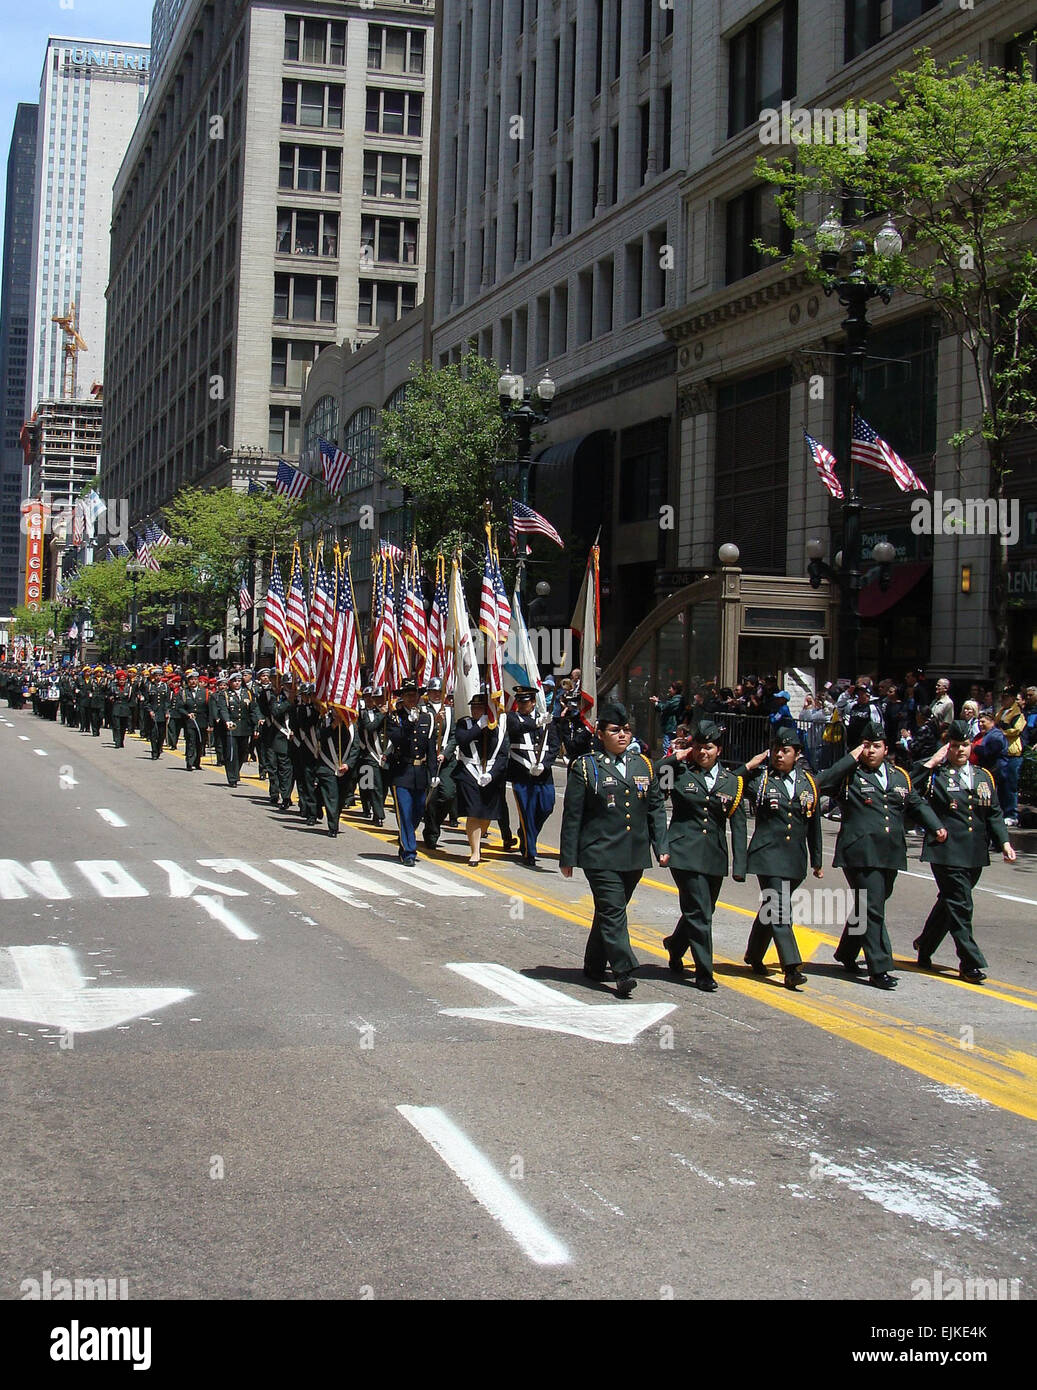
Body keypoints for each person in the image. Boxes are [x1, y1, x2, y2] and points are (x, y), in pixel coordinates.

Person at [817, 721, 946, 989]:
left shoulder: (900, 776)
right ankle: (880, 966)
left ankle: (846, 952)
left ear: (886, 748)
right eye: (866, 746)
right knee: (873, 907)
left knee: (871, 904)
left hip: (890, 852)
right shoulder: (850, 775)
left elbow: (915, 803)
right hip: (860, 852)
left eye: (876, 746)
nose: (871, 751)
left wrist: (936, 826)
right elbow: (821, 783)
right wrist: (849, 758)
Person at [559, 700, 669, 997]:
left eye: (627, 730)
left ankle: (594, 964)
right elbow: (573, 815)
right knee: (613, 909)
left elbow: (655, 808)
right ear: (601, 733)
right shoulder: (586, 765)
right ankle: (623, 970)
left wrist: (662, 845)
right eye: (615, 730)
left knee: (610, 911)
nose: (623, 735)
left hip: (633, 854)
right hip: (600, 853)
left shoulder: (642, 764)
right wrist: (567, 856)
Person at [911, 720, 1016, 983]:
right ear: (948, 747)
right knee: (961, 904)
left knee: (950, 903)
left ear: (971, 746)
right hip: (946, 851)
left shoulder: (983, 776)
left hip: (974, 852)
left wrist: (1004, 842)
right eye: (955, 746)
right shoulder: (938, 775)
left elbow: (993, 813)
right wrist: (930, 763)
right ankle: (969, 962)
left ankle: (925, 944)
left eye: (964, 745)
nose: (960, 750)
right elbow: (907, 790)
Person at [657, 719, 747, 992]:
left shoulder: (731, 781)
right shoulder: (680, 773)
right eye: (697, 747)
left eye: (708, 747)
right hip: (683, 851)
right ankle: (704, 972)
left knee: (704, 909)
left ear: (718, 749)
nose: (702, 752)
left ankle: (675, 944)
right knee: (699, 912)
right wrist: (677, 756)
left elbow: (739, 824)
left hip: (714, 854)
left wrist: (739, 864)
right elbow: (656, 775)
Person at [737, 727, 823, 990]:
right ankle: (791, 967)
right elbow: (730, 783)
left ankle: (753, 954)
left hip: (794, 858)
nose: (778, 755)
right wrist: (749, 765)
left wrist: (817, 859)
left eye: (785, 751)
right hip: (768, 855)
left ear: (797, 754)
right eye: (775, 750)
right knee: (780, 909)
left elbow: (814, 823)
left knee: (772, 909)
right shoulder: (762, 781)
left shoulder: (807, 782)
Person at [453, 690, 510, 865]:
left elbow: (502, 755)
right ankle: (475, 851)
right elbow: (462, 740)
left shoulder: (497, 730)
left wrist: (492, 775)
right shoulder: (464, 724)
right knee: (473, 811)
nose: (476, 711)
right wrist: (479, 726)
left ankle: (479, 839)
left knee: (485, 814)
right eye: (474, 707)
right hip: (469, 772)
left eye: (480, 708)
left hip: (490, 775)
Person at [506, 686, 561, 866]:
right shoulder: (513, 717)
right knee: (526, 810)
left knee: (547, 806)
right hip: (522, 772)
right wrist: (538, 723)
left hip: (543, 773)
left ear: (533, 702)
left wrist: (545, 764)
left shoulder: (546, 720)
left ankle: (526, 833)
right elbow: (516, 728)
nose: (523, 705)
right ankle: (529, 851)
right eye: (520, 702)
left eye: (527, 702)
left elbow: (554, 745)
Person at [385, 678, 437, 865]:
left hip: (420, 773)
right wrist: (408, 723)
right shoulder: (394, 717)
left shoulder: (427, 717)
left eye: (414, 694)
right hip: (402, 772)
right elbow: (397, 739)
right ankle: (409, 852)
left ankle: (405, 838)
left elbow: (431, 747)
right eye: (407, 695)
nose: (411, 698)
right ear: (402, 697)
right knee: (405, 813)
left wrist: (434, 773)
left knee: (417, 813)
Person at [422, 677, 458, 850]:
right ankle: (431, 833)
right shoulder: (421, 710)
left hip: (446, 761)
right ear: (428, 693)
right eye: (433, 691)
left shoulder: (451, 711)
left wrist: (445, 753)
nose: (436, 694)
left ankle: (435, 823)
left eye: (439, 691)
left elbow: (453, 736)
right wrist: (433, 721)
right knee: (430, 798)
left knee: (448, 794)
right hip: (427, 760)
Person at [994, 684, 1026, 825]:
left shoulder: (1018, 713)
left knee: (1011, 783)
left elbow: (1017, 729)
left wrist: (1003, 732)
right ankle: (1001, 811)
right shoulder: (1001, 712)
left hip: (1013, 751)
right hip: (1002, 751)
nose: (1003, 700)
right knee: (1001, 783)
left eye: (1006, 697)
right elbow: (995, 724)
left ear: (1012, 698)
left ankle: (1012, 814)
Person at [174, 670, 208, 771]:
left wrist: (210, 723)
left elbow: (209, 708)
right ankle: (189, 762)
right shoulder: (184, 692)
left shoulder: (204, 692)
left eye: (195, 679)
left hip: (202, 721)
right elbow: (179, 707)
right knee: (191, 741)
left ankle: (197, 762)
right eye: (191, 680)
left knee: (200, 742)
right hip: (190, 721)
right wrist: (187, 714)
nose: (193, 681)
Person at [650, 681, 684, 756]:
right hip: (670, 728)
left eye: (671, 688)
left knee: (668, 746)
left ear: (675, 690)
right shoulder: (673, 699)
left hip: (672, 728)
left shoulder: (677, 700)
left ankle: (668, 763)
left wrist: (657, 703)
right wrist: (657, 702)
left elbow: (665, 708)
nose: (669, 690)